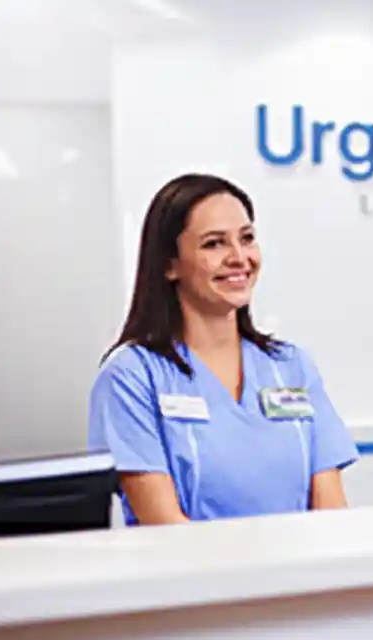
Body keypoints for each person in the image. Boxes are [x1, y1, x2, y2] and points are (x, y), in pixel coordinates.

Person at [88, 174, 358, 525]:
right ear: (169, 264)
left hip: (300, 562)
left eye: (246, 239)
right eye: (214, 244)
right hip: (192, 562)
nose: (239, 257)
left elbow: (331, 516)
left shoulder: (291, 366)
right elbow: (164, 527)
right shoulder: (132, 376)